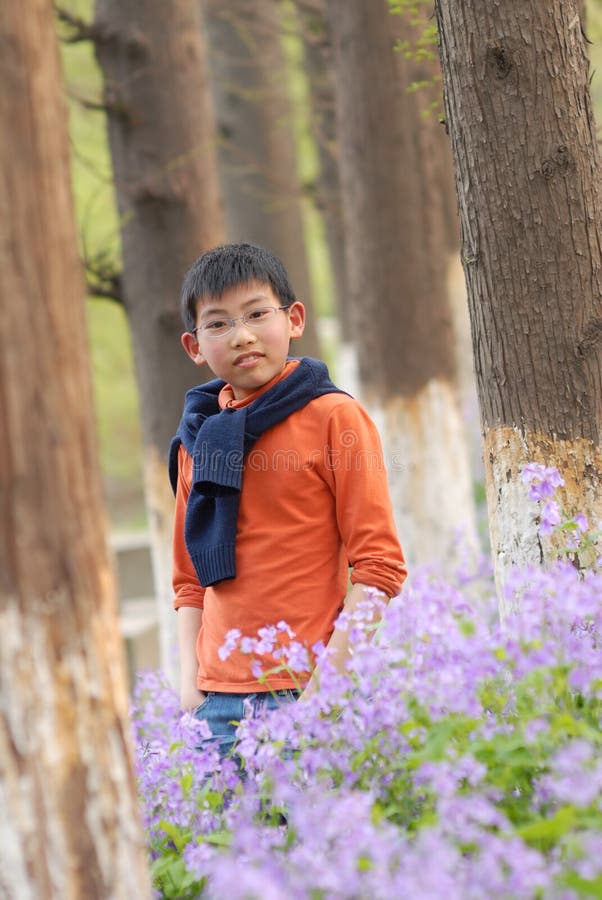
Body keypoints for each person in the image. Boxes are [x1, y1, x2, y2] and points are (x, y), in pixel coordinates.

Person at [169, 242, 407, 757]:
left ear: (294, 318)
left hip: (306, 692)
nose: (243, 335)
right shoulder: (198, 438)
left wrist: (324, 696)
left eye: (257, 314)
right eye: (219, 324)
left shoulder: (334, 418)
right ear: (194, 346)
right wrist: (192, 691)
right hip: (215, 705)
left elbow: (379, 567)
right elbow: (189, 581)